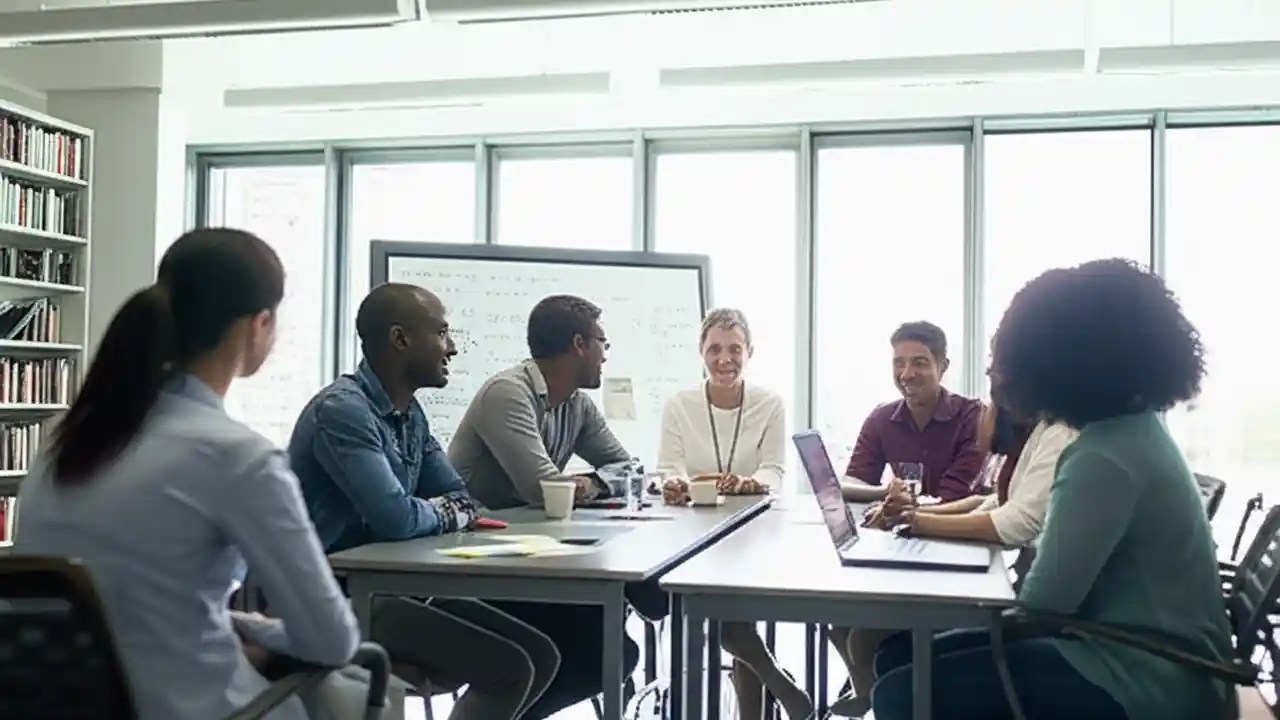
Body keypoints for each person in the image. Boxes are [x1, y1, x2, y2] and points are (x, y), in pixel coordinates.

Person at [13, 229, 360, 720]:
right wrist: (255, 630)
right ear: (257, 326)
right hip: (196, 707)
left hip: (61, 706)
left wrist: (227, 621)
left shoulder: (62, 441)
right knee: (360, 682)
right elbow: (331, 639)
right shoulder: (238, 456)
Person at [872, 259, 1235, 720]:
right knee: (899, 658)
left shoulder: (1101, 457)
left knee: (900, 691)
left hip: (1142, 676)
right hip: (1149, 656)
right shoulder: (1134, 434)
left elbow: (1044, 603)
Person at [289, 282, 560, 720]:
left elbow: (461, 498)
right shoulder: (342, 412)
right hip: (337, 597)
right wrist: (444, 513)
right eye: (441, 333)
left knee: (541, 656)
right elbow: (395, 517)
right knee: (509, 669)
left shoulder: (410, 414)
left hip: (394, 586)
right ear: (400, 339)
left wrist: (441, 512)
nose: (451, 347)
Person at [448, 294, 644, 719]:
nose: (605, 355)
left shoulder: (576, 404)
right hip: (472, 570)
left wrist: (589, 483)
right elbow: (543, 489)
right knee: (606, 646)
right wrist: (574, 486)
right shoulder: (507, 393)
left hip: (530, 559)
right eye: (602, 343)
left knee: (612, 646)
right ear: (579, 344)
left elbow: (628, 466)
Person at [829, 403, 1077, 717]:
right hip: (1029, 604)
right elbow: (992, 504)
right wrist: (912, 516)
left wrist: (914, 522)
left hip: (1049, 623)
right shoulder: (1042, 433)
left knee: (886, 671)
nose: (986, 409)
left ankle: (870, 695)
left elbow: (1014, 522)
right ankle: (866, 693)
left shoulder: (1059, 436)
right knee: (884, 653)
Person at [655, 308, 809, 720]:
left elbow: (773, 470)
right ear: (700, 352)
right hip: (693, 529)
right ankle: (782, 689)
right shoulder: (680, 404)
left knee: (732, 617)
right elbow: (670, 468)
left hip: (754, 528)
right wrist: (675, 484)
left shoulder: (770, 403)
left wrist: (750, 483)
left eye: (735, 349)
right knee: (732, 617)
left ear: (750, 352)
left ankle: (773, 698)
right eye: (715, 349)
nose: (725, 359)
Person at [841, 321, 986, 503]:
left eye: (919, 363)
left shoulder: (973, 417)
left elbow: (954, 495)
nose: (906, 374)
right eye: (899, 363)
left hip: (958, 527)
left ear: (943, 366)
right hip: (903, 525)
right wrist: (885, 493)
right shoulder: (881, 419)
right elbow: (854, 482)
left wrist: (903, 505)